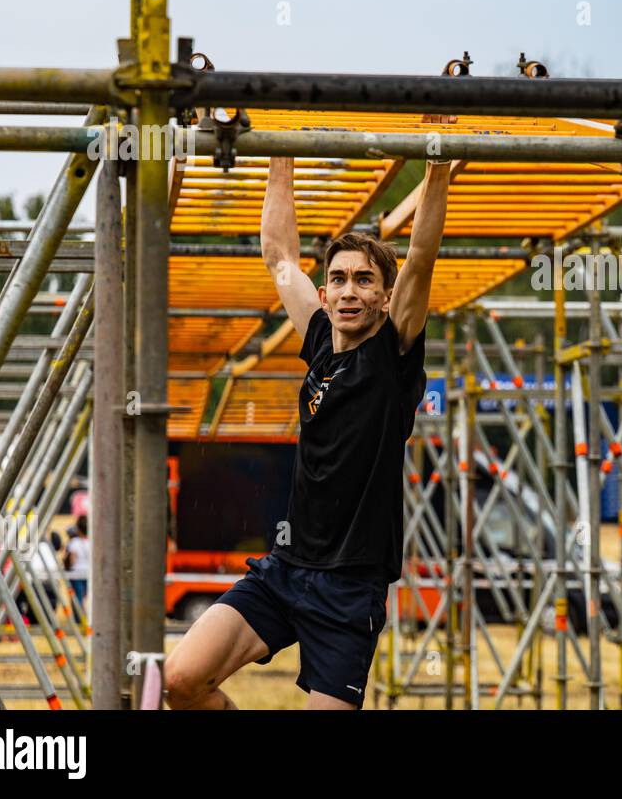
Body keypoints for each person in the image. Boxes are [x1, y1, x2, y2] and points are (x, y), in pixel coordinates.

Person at [165, 155, 450, 710]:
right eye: (338, 279)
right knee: (178, 680)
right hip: (285, 570)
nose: (348, 291)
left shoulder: (392, 356)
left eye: (364, 281)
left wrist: (436, 166)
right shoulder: (320, 344)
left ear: (385, 298)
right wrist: (280, 152)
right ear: (324, 293)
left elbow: (421, 257)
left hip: (349, 588)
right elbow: (278, 256)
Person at [64, 515, 90, 612]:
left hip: (76, 574)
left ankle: (79, 618)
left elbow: (72, 560)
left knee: (77, 598)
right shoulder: (92, 542)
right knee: (86, 597)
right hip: (88, 573)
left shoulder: (74, 542)